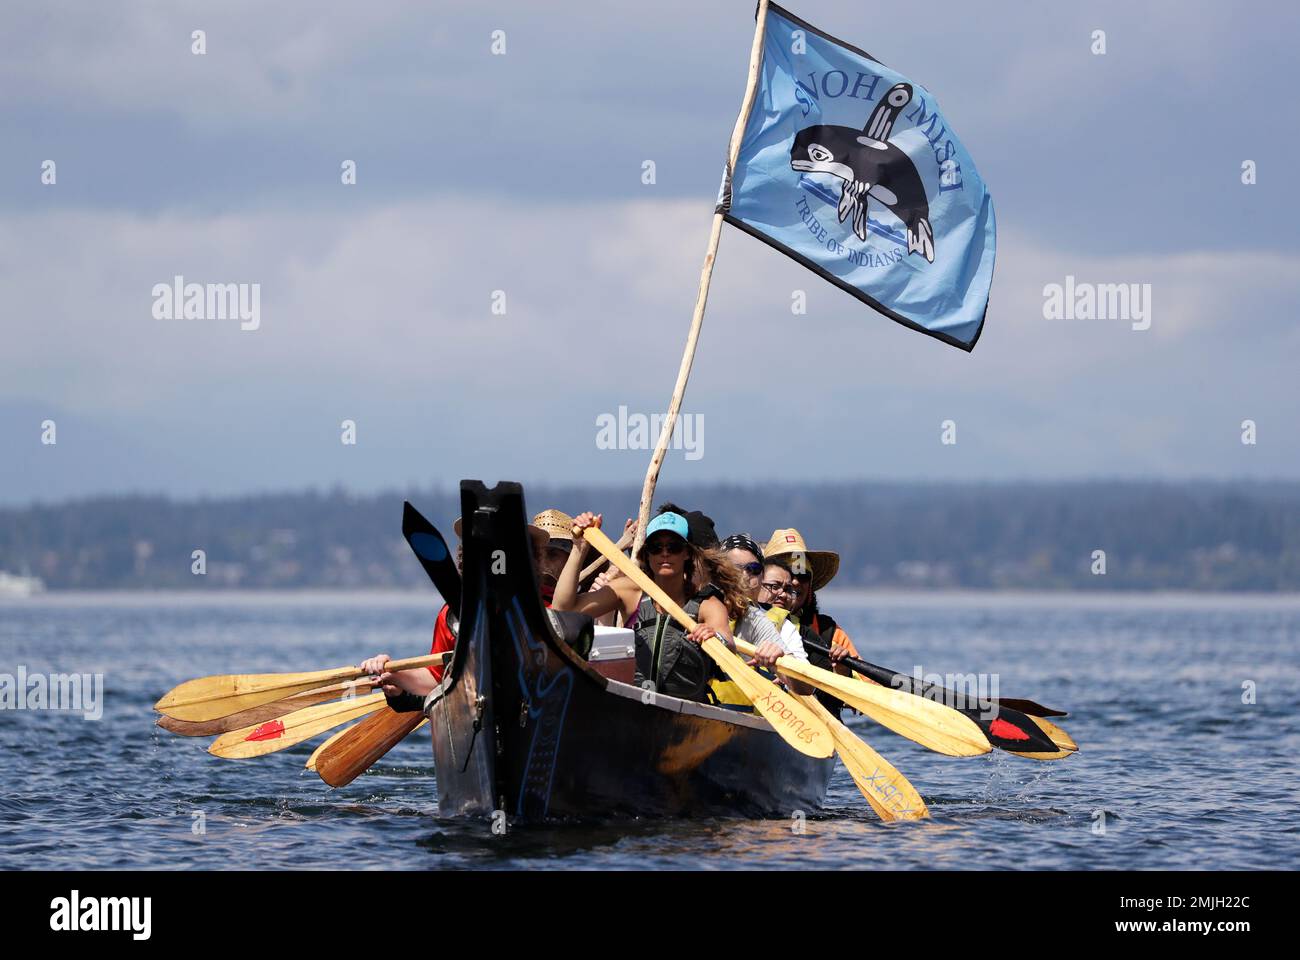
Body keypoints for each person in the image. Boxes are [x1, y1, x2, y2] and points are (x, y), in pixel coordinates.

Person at [553, 507, 764, 703]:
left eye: (673, 547)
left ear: (687, 553)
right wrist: (579, 549)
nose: (664, 553)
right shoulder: (629, 591)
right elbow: (564, 609)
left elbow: (727, 643)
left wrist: (712, 637)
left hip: (684, 716)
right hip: (635, 708)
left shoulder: (706, 604)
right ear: (647, 553)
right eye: (656, 547)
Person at [361, 514, 551, 710]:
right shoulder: (451, 616)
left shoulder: (547, 609)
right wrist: (394, 674)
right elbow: (435, 679)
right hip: (472, 705)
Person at [762, 528, 864, 716]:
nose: (793, 583)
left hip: (818, 726)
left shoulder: (829, 631)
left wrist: (842, 671)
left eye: (802, 575)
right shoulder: (744, 617)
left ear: (810, 585)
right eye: (786, 574)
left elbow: (864, 694)